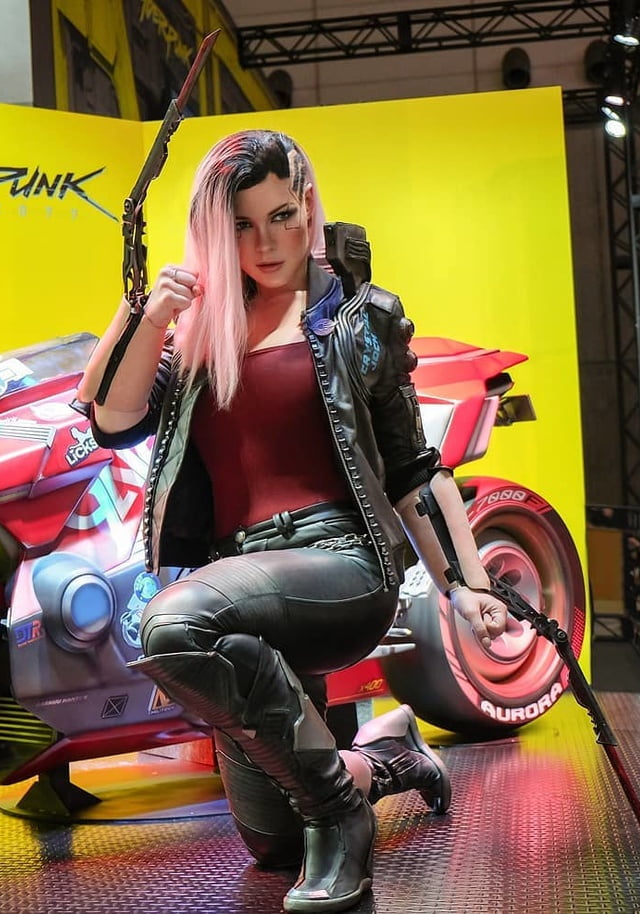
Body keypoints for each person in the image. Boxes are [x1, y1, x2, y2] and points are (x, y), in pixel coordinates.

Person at [77, 130, 507, 913]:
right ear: (215, 232)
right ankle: (384, 757)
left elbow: (414, 467)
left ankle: (341, 815)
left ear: (307, 205)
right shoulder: (197, 334)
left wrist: (467, 585)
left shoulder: (359, 317)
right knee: (273, 844)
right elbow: (111, 417)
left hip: (341, 564)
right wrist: (148, 315)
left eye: (281, 216)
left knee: (170, 627)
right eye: (241, 226)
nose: (267, 242)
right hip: (239, 586)